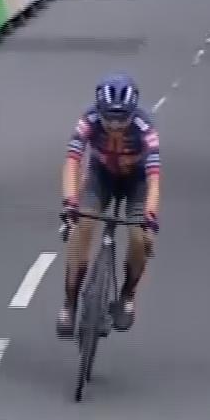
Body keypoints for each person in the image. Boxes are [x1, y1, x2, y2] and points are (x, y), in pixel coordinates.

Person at [57, 74, 161, 337]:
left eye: (121, 119)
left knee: (140, 240)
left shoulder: (144, 127)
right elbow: (72, 161)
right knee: (82, 229)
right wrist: (70, 201)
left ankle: (127, 294)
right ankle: (70, 303)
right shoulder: (89, 119)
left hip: (136, 182)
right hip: (100, 177)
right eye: (109, 119)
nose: (115, 126)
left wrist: (149, 217)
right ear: (99, 111)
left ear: (132, 112)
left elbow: (154, 178)